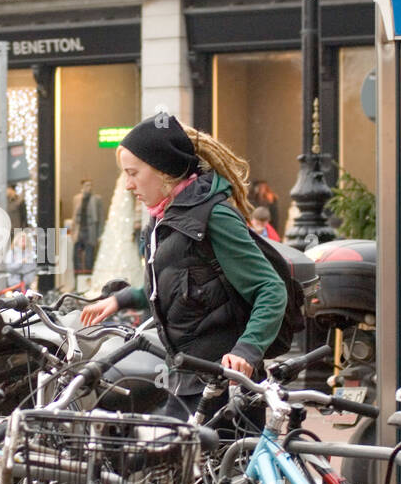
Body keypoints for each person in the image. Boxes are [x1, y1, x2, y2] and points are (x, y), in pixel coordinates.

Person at [80, 115, 286, 415]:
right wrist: (119, 299)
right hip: (186, 379)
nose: (127, 185)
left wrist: (246, 351)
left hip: (223, 386)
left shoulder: (213, 217)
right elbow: (175, 283)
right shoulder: (162, 219)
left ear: (163, 170)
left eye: (133, 173)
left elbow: (270, 288)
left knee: (162, 458)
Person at [71, 179, 104, 273]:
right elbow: (74, 216)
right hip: (79, 231)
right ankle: (77, 278)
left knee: (89, 257)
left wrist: (99, 234)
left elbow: (100, 217)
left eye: (90, 185)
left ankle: (88, 278)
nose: (89, 188)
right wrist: (73, 232)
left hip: (90, 231)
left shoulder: (96, 199)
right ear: (82, 187)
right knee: (76, 257)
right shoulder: (77, 198)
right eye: (86, 185)